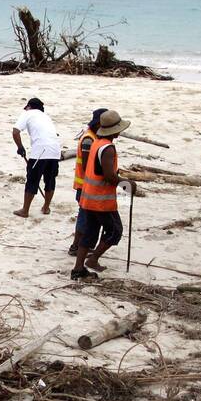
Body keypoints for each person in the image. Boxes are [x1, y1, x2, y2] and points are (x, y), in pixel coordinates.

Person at [72, 110, 134, 280]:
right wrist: (127, 184)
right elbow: (109, 176)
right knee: (115, 231)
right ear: (114, 130)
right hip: (101, 200)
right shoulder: (108, 148)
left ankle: (78, 269)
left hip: (88, 196)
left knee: (90, 232)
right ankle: (93, 259)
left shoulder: (96, 143)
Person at [12, 98, 61, 217]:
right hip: (55, 151)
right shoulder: (46, 116)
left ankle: (25, 210)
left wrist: (20, 147)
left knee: (32, 180)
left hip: (40, 152)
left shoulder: (28, 113)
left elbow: (15, 131)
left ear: (29, 106)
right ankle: (46, 207)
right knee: (50, 180)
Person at [68, 108, 107, 257]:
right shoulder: (89, 139)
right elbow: (87, 165)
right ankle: (76, 246)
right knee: (85, 217)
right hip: (85, 186)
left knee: (87, 217)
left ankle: (81, 245)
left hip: (87, 185)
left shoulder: (92, 137)